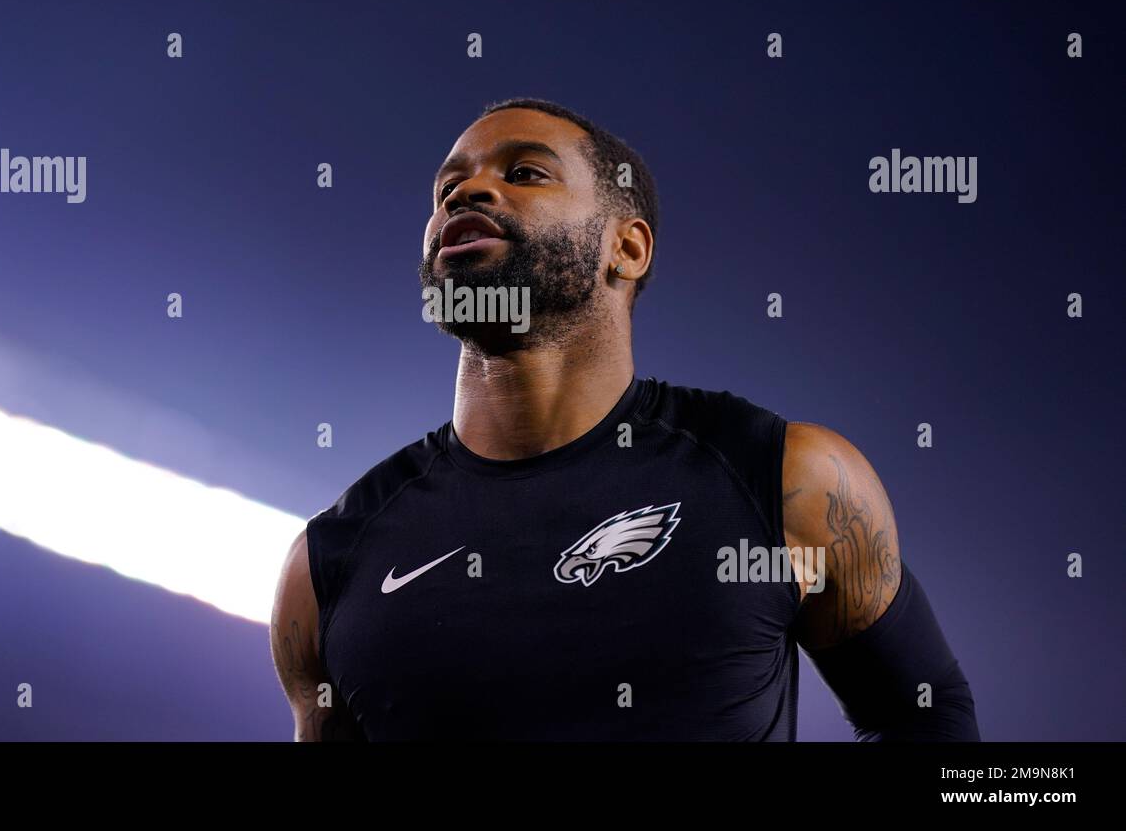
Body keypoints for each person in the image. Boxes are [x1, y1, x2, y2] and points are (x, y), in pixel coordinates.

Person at [269, 98, 979, 741]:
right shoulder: (329, 562)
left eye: (525, 172)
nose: (468, 191)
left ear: (627, 247)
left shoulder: (788, 480)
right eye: (447, 188)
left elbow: (925, 714)